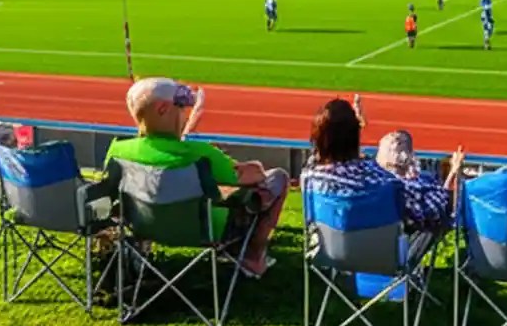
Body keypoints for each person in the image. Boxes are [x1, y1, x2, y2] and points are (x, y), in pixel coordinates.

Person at [107, 78, 289, 277]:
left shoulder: (118, 150)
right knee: (277, 178)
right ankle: (252, 257)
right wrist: (254, 166)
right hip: (207, 231)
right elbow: (254, 176)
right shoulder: (200, 154)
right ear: (162, 109)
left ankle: (141, 248)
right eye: (181, 108)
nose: (185, 115)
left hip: (142, 225)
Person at [303, 98, 456, 232]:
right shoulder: (381, 182)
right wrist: (444, 184)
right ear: (354, 138)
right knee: (432, 220)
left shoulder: (310, 176)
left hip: (328, 253)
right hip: (379, 255)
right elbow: (432, 210)